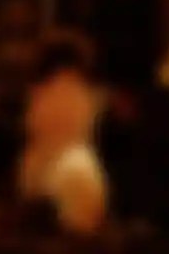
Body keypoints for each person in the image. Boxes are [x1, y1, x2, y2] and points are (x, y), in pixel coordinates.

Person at [16, 32, 107, 237]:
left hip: (44, 171)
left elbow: (33, 127)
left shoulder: (44, 92)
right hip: (69, 173)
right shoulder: (79, 92)